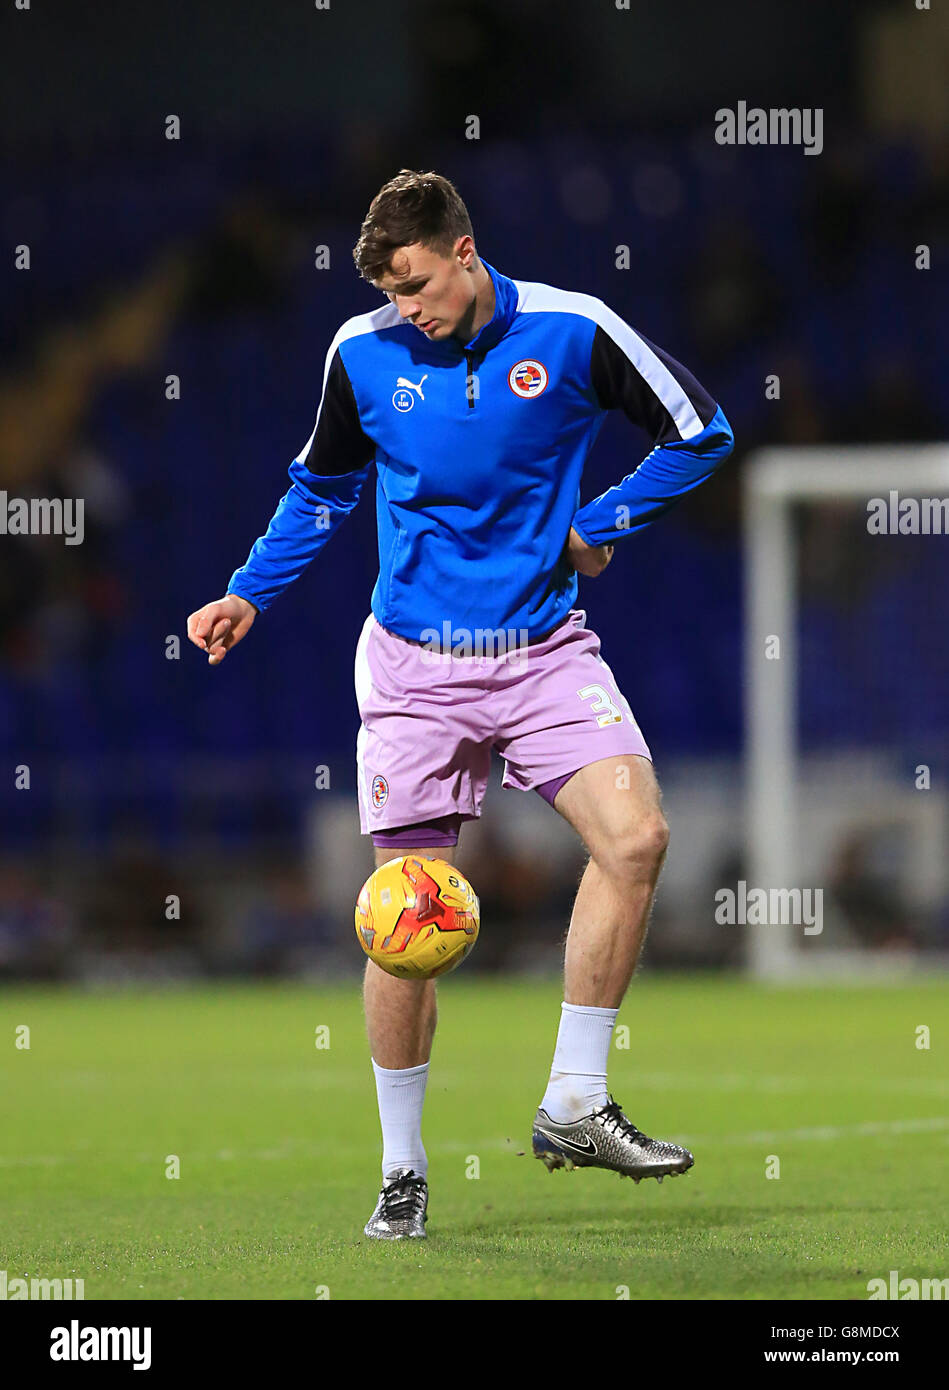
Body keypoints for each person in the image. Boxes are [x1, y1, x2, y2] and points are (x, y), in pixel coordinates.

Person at [187, 169, 734, 1240]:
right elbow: (321, 486)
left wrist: (606, 517)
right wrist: (248, 590)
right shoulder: (363, 353)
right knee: (406, 919)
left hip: (542, 651)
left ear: (464, 251)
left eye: (417, 283)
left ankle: (575, 1098)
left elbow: (700, 430)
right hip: (412, 669)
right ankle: (401, 1167)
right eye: (391, 292)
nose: (409, 308)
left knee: (637, 839)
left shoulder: (575, 331)